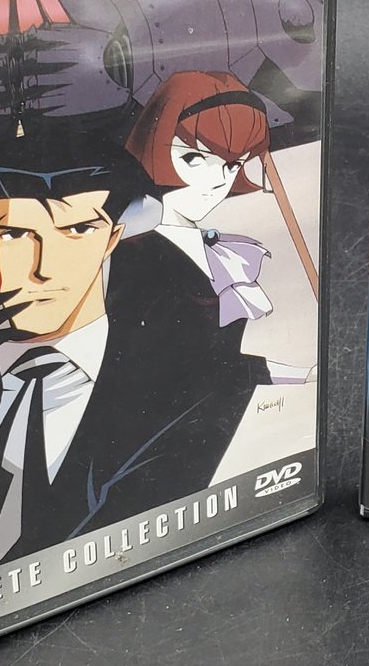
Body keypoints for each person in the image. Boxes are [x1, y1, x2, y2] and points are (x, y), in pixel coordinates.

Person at [0, 124, 231, 598]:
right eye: (16, 234)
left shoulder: (183, 387)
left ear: (112, 238)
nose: (44, 267)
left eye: (78, 230)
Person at [120, 73, 309, 465]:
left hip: (211, 443)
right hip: (154, 451)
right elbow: (172, 375)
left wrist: (301, 375)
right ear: (153, 145)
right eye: (194, 159)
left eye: (233, 164)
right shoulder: (135, 257)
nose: (217, 182)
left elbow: (217, 366)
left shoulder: (207, 246)